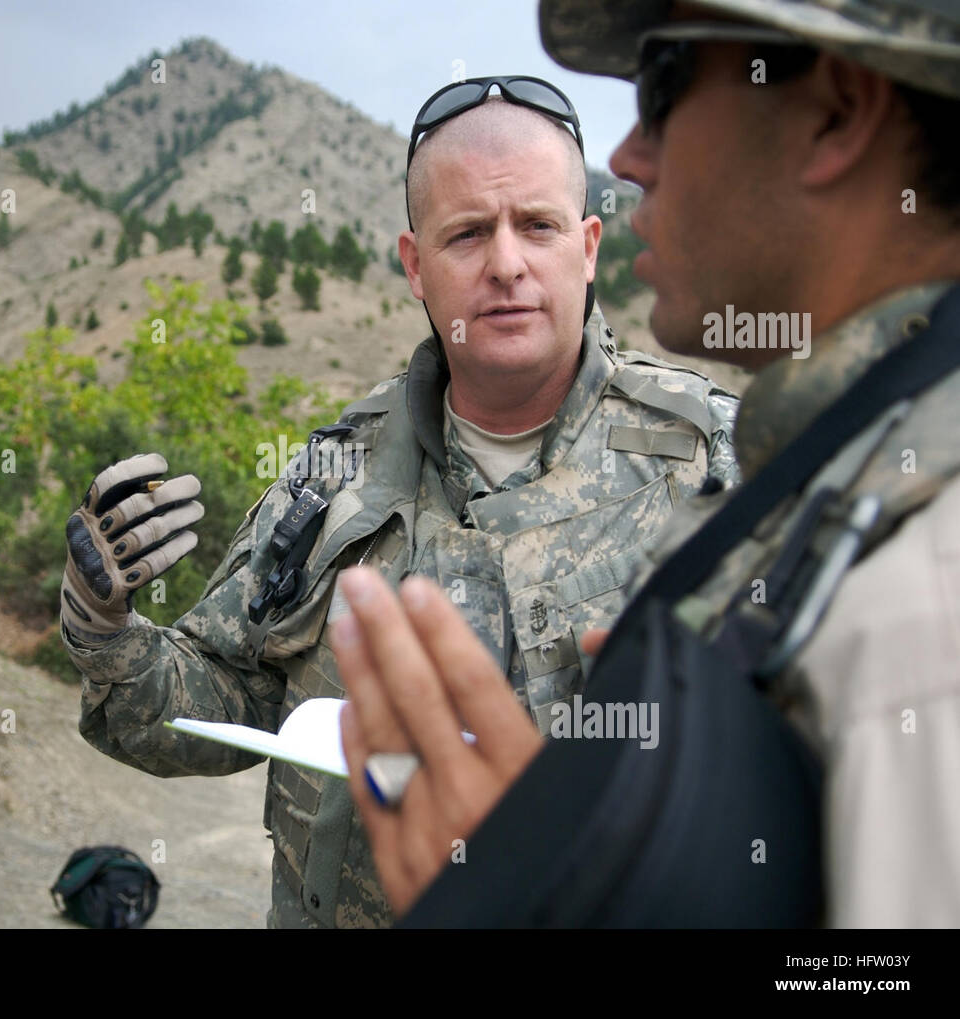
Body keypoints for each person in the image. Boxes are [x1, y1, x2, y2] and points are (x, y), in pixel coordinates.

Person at [333, 0, 960, 928]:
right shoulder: (849, 484)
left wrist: (538, 905)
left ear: (834, 110)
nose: (626, 160)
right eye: (467, 234)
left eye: (663, 85)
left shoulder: (920, 607)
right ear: (415, 264)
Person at [61, 78, 742, 928]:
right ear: (416, 264)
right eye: (466, 233)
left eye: (537, 225)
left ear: (589, 244)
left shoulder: (714, 458)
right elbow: (208, 703)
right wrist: (104, 630)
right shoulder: (332, 473)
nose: (505, 263)